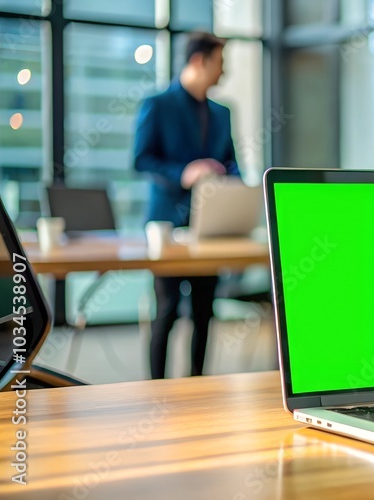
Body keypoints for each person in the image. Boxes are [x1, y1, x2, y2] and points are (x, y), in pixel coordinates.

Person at [134, 32, 240, 379]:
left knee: (204, 312)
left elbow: (232, 164)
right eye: (220, 62)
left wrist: (240, 187)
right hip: (167, 226)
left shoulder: (222, 113)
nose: (224, 71)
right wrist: (184, 173)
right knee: (166, 311)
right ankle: (156, 387)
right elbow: (142, 159)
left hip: (210, 226)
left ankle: (198, 384)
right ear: (199, 61)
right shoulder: (158, 104)